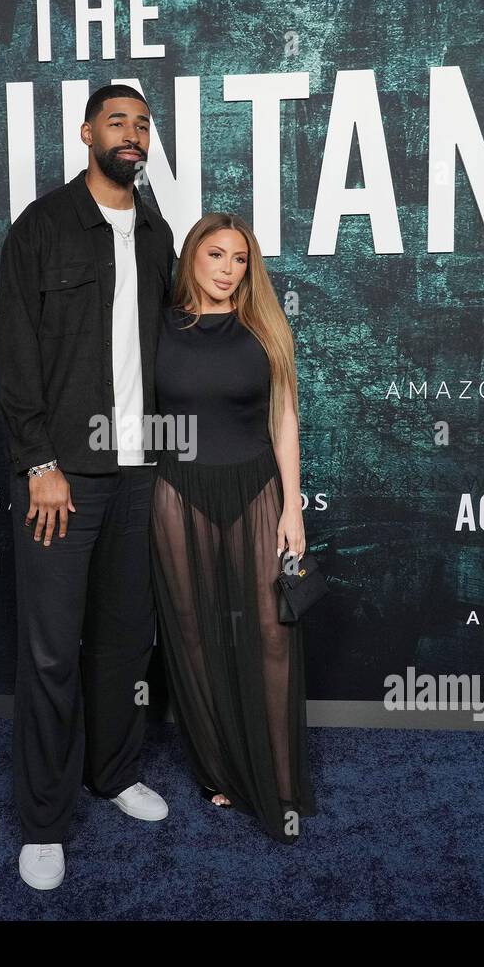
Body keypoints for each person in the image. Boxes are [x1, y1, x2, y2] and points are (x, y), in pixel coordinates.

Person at [0, 84, 177, 890]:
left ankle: (114, 772)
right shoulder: (41, 229)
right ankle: (43, 819)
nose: (132, 133)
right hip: (62, 481)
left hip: (142, 472)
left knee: (124, 642)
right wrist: (40, 464)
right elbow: (15, 358)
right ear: (86, 134)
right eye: (118, 121)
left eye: (142, 124)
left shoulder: (159, 230)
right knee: (51, 651)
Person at [150, 212, 318, 844]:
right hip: (176, 494)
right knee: (193, 639)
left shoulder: (264, 327)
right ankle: (219, 769)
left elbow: (284, 421)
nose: (227, 269)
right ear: (192, 257)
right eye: (215, 255)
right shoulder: (157, 328)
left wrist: (293, 507)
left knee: (273, 636)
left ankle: (277, 783)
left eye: (240, 259)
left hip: (255, 492)